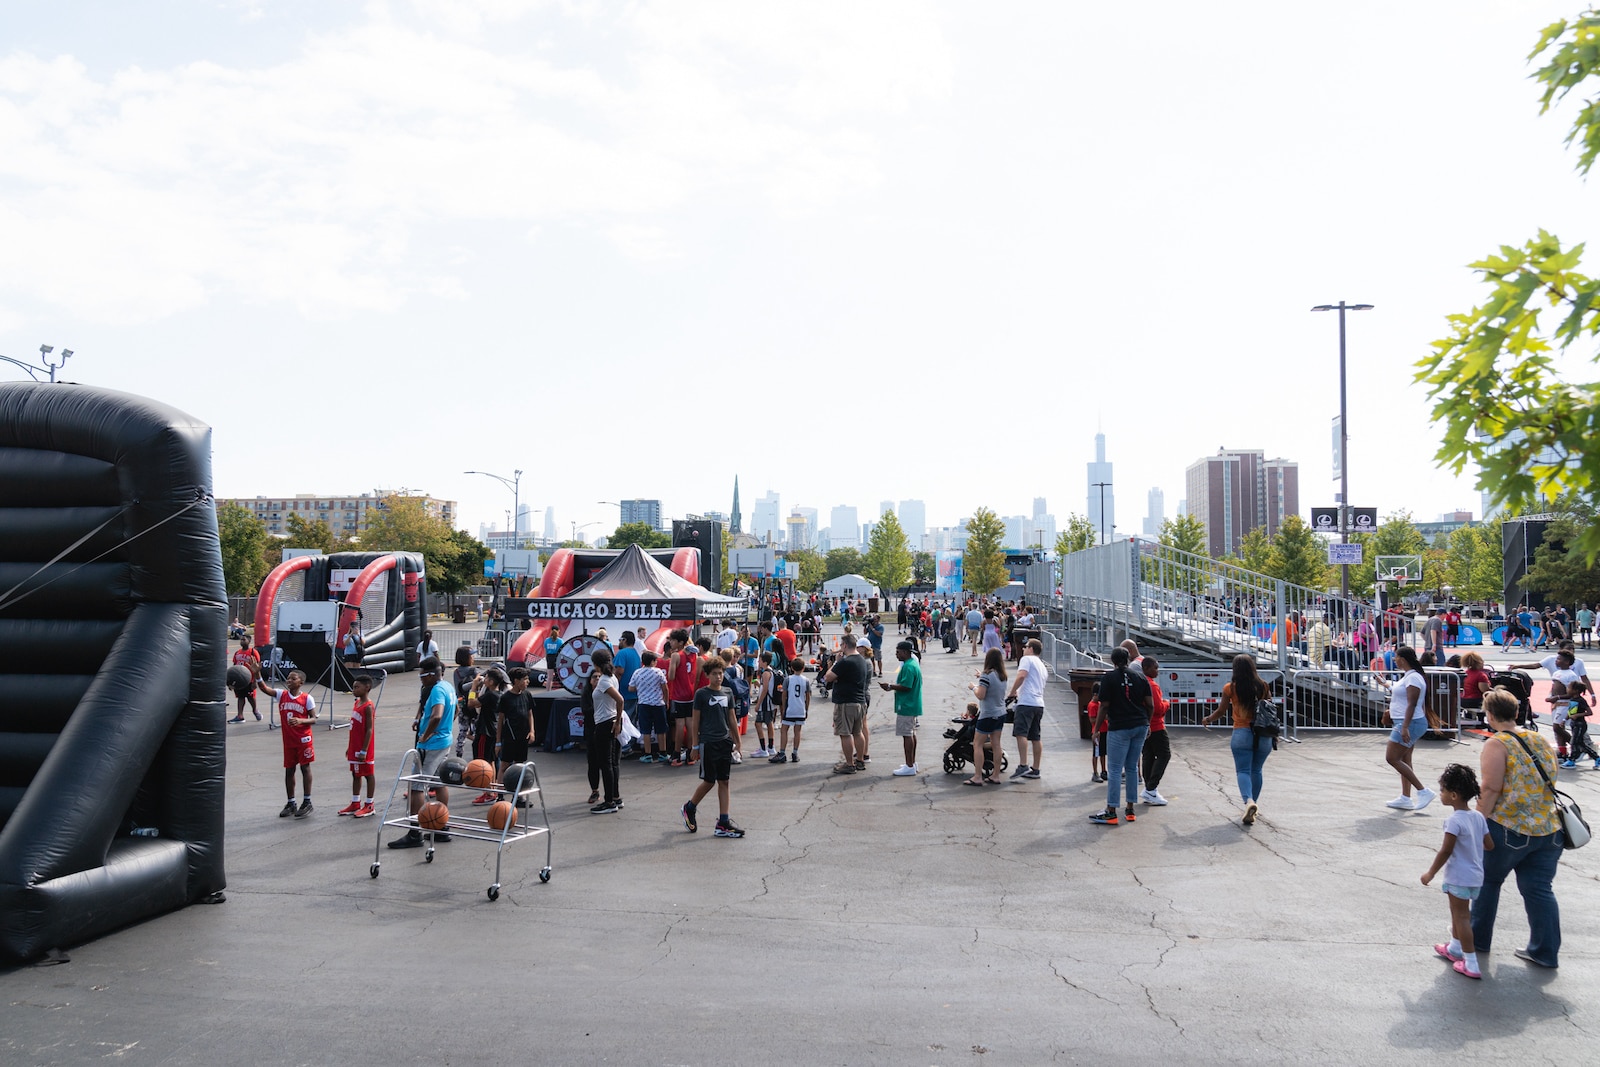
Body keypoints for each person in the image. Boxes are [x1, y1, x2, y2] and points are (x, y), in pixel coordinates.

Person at [1471, 688, 1564, 969]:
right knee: (1539, 890)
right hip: (1549, 828)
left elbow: (1490, 788)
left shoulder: (1497, 744)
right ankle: (1544, 951)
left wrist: (1476, 825)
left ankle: (1477, 941)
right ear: (1515, 712)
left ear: (1489, 715)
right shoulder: (1539, 739)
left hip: (1509, 827)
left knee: (1488, 883)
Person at [1420, 763, 1493, 980]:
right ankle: (1454, 948)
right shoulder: (1478, 817)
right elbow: (1489, 845)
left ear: (1453, 795)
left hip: (1459, 876)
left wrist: (1430, 873)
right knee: (1457, 913)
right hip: (1475, 877)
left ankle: (1470, 963)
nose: (1440, 794)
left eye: (1442, 790)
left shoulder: (1453, 821)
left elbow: (1446, 850)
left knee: (1461, 917)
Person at [387, 657, 456, 849]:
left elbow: (437, 714)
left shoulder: (436, 690)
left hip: (431, 745)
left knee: (416, 786)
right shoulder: (448, 686)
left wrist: (425, 735)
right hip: (444, 741)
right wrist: (444, 729)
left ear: (432, 674)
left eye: (422, 676)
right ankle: (442, 826)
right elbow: (456, 710)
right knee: (438, 781)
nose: (421, 680)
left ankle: (414, 832)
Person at [1201, 654, 1273, 825]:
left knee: (1243, 771)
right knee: (1257, 770)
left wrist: (1208, 719)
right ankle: (1253, 804)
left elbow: (1221, 711)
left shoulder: (1230, 688)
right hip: (1263, 733)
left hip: (1241, 732)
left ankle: (1248, 802)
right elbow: (1270, 710)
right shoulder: (1263, 686)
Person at [1088, 647, 1151, 825]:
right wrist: (1148, 723)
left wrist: (1096, 729)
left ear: (1113, 661)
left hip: (1119, 726)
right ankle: (1130, 809)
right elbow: (1150, 704)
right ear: (1129, 659)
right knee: (1131, 767)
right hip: (1139, 724)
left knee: (1115, 769)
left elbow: (1104, 706)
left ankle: (1111, 810)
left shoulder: (1109, 678)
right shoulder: (1140, 677)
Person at [681, 660, 744, 838]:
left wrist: (737, 741)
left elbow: (732, 718)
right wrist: (694, 745)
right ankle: (689, 807)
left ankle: (723, 822)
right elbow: (695, 722)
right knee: (709, 781)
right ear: (708, 675)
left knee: (724, 781)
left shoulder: (728, 692)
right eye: (715, 673)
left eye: (721, 673)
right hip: (708, 743)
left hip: (724, 742)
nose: (718, 676)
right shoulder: (701, 694)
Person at [1382, 646, 1435, 812]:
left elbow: (1412, 703)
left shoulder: (1413, 678)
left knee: (1392, 758)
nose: (1394, 660)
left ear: (1402, 659)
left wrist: (1404, 727)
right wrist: (1386, 685)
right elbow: (1404, 696)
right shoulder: (1410, 676)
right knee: (1405, 760)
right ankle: (1406, 797)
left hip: (1408, 723)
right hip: (1407, 722)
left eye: (1396, 657)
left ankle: (1423, 790)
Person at [257, 670, 317, 818]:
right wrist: (257, 674)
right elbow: (265, 688)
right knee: (289, 770)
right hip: (289, 740)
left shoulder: (307, 698)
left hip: (303, 740)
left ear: (301, 682)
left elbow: (314, 718)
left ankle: (307, 802)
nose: (289, 680)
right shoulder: (282, 694)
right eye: (288, 678)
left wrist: (301, 720)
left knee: (305, 768)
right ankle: (291, 803)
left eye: (293, 678)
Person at [584, 648, 624, 814]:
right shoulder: (611, 677)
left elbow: (620, 700)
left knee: (605, 763)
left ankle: (609, 802)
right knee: (612, 763)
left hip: (605, 723)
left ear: (595, 664)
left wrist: (617, 721)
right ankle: (615, 797)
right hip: (610, 720)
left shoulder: (605, 681)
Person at [824, 634, 871, 775]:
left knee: (845, 734)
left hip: (846, 702)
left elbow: (828, 677)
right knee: (857, 732)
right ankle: (860, 760)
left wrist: (836, 663)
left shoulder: (845, 662)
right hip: (860, 701)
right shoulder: (862, 660)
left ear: (845, 645)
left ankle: (849, 764)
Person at [963, 649, 1008, 786]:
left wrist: (973, 687)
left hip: (988, 713)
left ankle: (977, 776)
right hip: (1000, 713)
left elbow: (981, 695)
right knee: (996, 745)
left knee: (978, 744)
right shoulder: (1002, 675)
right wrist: (980, 679)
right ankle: (995, 775)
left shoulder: (986, 676)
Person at [1006, 638, 1048, 781]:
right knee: (1035, 736)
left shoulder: (1027, 659)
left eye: (1026, 646)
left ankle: (1023, 764)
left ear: (1031, 649)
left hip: (1026, 703)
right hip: (1039, 703)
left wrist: (1012, 691)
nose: (1023, 648)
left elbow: (1021, 676)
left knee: (1021, 733)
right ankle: (1036, 768)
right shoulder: (1042, 665)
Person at [336, 673, 378, 817]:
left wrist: (364, 750)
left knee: (368, 774)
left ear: (367, 688)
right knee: (355, 773)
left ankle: (369, 804)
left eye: (357, 687)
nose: (354, 689)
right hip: (354, 746)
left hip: (364, 748)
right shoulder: (356, 703)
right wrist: (350, 747)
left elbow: (369, 729)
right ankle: (355, 802)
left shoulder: (368, 706)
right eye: (353, 687)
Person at [879, 641, 923, 776]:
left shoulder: (908, 667)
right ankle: (912, 763)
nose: (896, 654)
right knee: (911, 733)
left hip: (907, 704)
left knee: (907, 735)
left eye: (898, 652)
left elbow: (906, 686)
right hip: (912, 703)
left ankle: (909, 765)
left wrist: (890, 686)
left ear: (905, 652)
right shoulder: (912, 664)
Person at [1139, 656, 1172, 806]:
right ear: (1146, 668)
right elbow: (1158, 708)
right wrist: (1167, 703)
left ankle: (1149, 787)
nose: (1157, 671)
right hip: (1156, 725)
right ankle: (1151, 788)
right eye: (1155, 668)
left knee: (1149, 755)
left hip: (1144, 725)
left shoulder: (1140, 682)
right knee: (1164, 754)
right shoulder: (1152, 685)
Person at [630, 650, 670, 764]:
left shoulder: (637, 672)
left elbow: (631, 688)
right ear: (653, 661)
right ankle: (663, 753)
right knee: (661, 729)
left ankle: (647, 754)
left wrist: (641, 688)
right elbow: (665, 688)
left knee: (646, 730)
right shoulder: (658, 672)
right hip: (658, 704)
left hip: (643, 704)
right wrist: (666, 700)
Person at [665, 628, 699, 767]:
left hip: (679, 694)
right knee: (690, 724)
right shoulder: (693, 654)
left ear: (679, 642)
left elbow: (671, 676)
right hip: (690, 693)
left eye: (672, 640)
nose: (670, 642)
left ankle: (677, 754)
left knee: (679, 724)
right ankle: (691, 754)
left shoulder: (676, 655)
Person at [1558, 679, 1600, 768]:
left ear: (1576, 691)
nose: (1567, 689)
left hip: (1580, 724)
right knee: (1580, 743)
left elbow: (1589, 712)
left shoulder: (1581, 700)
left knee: (1574, 742)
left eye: (1569, 688)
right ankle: (1596, 758)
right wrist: (1564, 720)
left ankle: (1571, 760)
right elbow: (1570, 712)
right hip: (1574, 724)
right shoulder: (1572, 699)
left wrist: (1578, 715)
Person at [751, 651, 780, 760]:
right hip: (771, 703)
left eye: (760, 660)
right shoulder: (771, 671)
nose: (758, 662)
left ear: (764, 661)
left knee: (758, 724)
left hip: (765, 703)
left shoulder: (765, 673)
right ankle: (771, 747)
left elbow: (765, 689)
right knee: (769, 723)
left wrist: (758, 703)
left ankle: (763, 748)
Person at [229, 635, 263, 723]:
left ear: (249, 641)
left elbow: (258, 666)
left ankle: (255, 710)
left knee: (250, 697)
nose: (242, 641)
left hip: (249, 679)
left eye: (244, 639)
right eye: (241, 640)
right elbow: (234, 667)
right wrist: (231, 681)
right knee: (240, 697)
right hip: (239, 679)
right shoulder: (237, 653)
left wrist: (255, 681)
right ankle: (240, 716)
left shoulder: (253, 652)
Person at [451, 647, 479, 756]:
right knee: (477, 729)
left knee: (463, 729)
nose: (473, 657)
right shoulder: (475, 671)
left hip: (461, 702)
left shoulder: (456, 672)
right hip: (473, 702)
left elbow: (458, 690)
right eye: (471, 655)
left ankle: (459, 751)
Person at [1459, 651, 1492, 718]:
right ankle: (1481, 720)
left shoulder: (1465, 673)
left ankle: (1469, 716)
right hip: (1475, 701)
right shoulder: (1481, 675)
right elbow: (1484, 690)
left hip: (1462, 700)